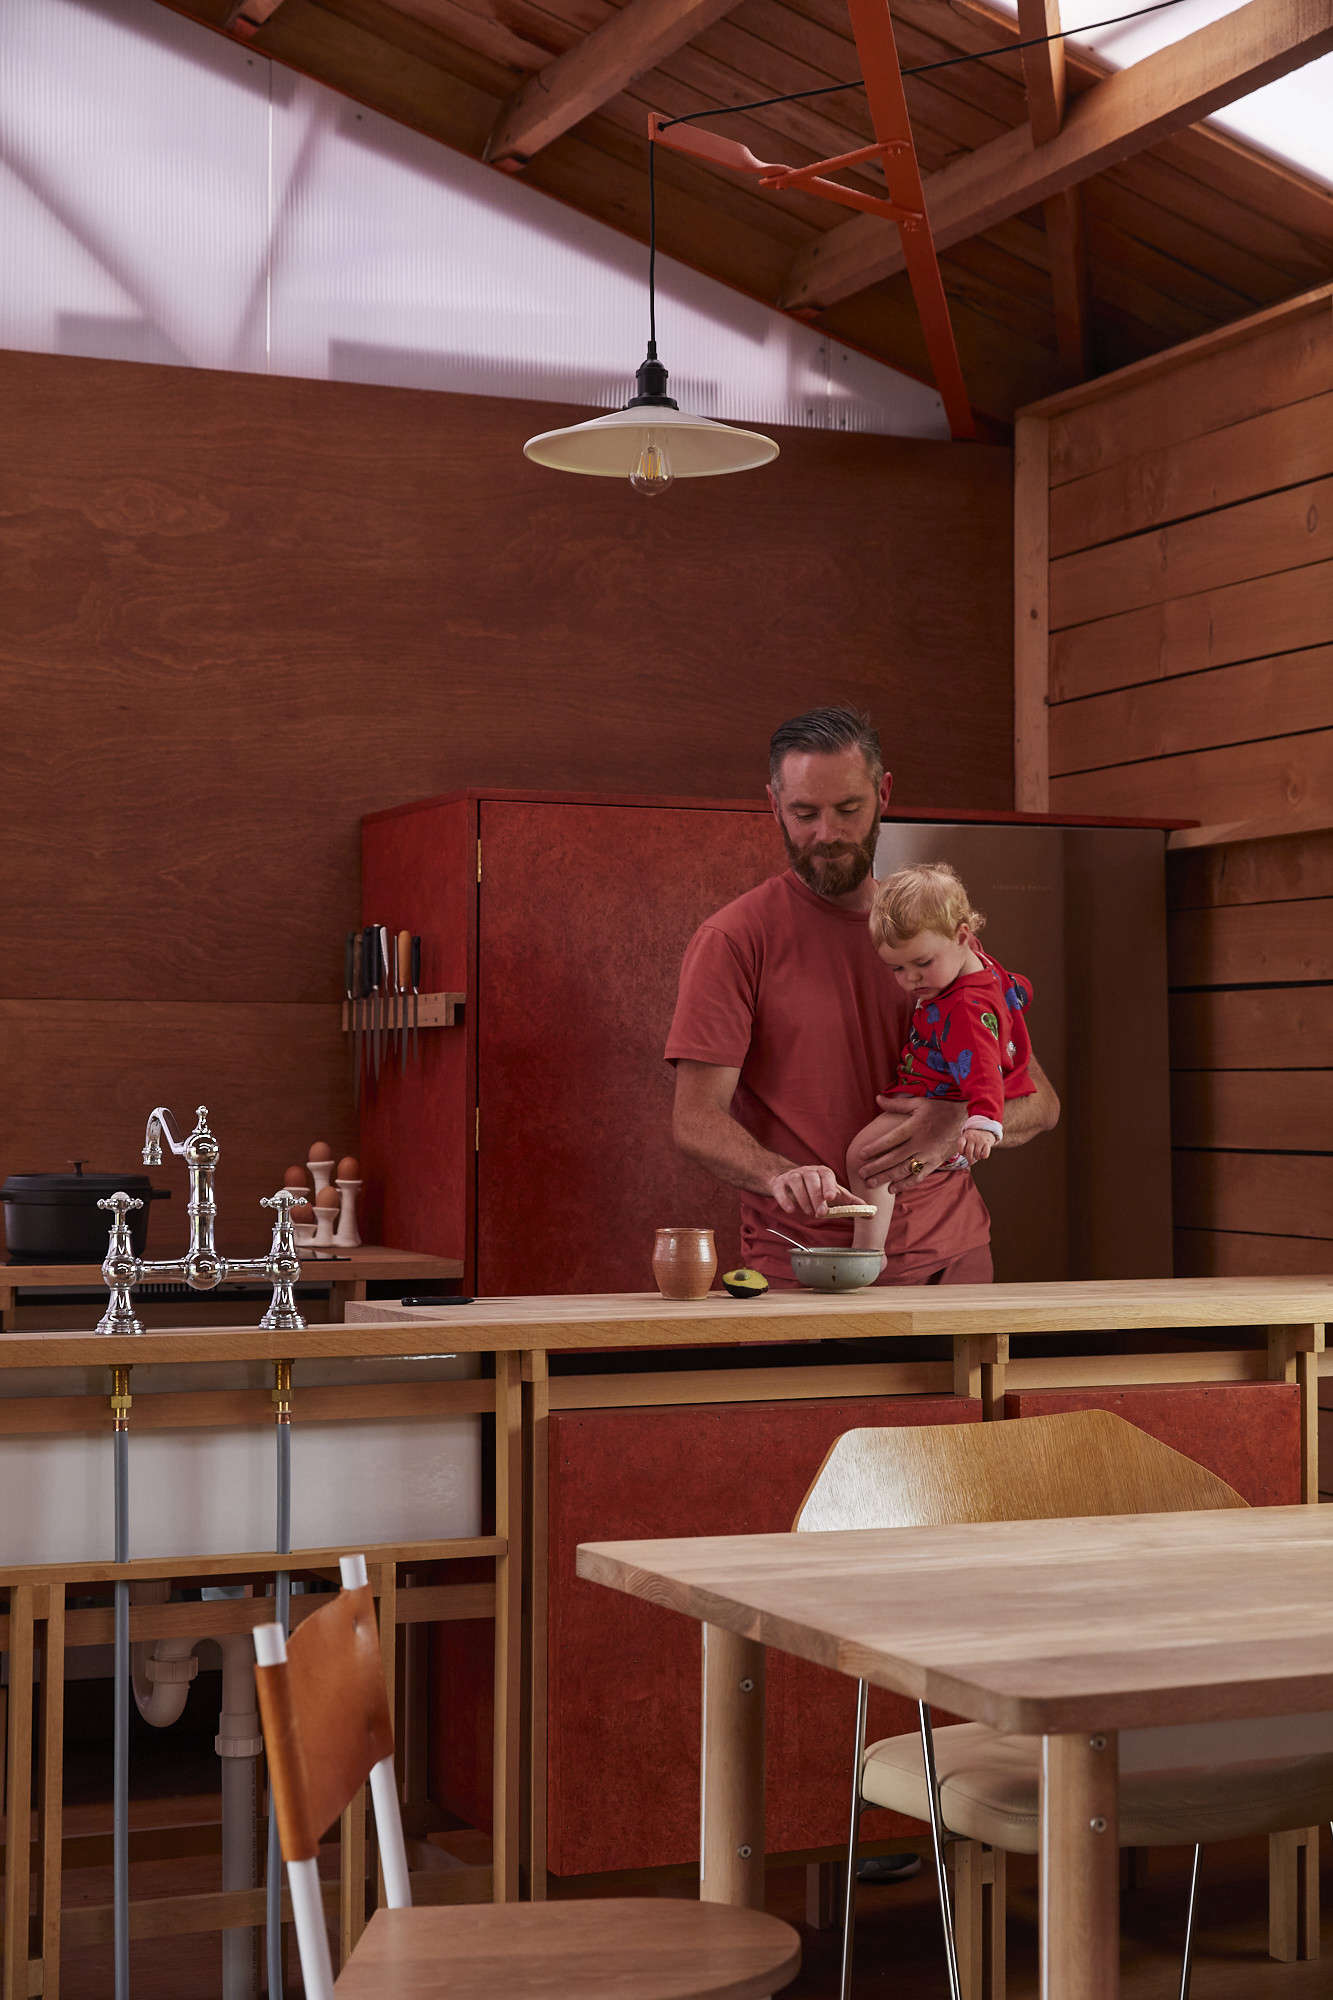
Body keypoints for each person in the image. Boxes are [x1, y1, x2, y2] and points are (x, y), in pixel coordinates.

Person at [666, 704, 1059, 1288]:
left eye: (848, 809)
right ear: (774, 805)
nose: (827, 834)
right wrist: (781, 1175)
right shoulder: (734, 940)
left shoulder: (931, 933)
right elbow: (694, 1120)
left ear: (884, 793)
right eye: (804, 813)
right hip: (804, 1273)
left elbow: (1040, 1103)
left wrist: (953, 1123)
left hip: (953, 1266)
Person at [845, 861, 1035, 1259]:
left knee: (865, 1157)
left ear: (962, 936)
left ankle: (866, 1253)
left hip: (943, 1093)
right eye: (897, 968)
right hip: (947, 1093)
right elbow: (1015, 987)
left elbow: (982, 1068)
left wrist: (982, 1122)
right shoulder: (978, 963)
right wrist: (1018, 996)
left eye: (922, 963)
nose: (911, 979)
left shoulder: (964, 1006)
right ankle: (949, 1159)